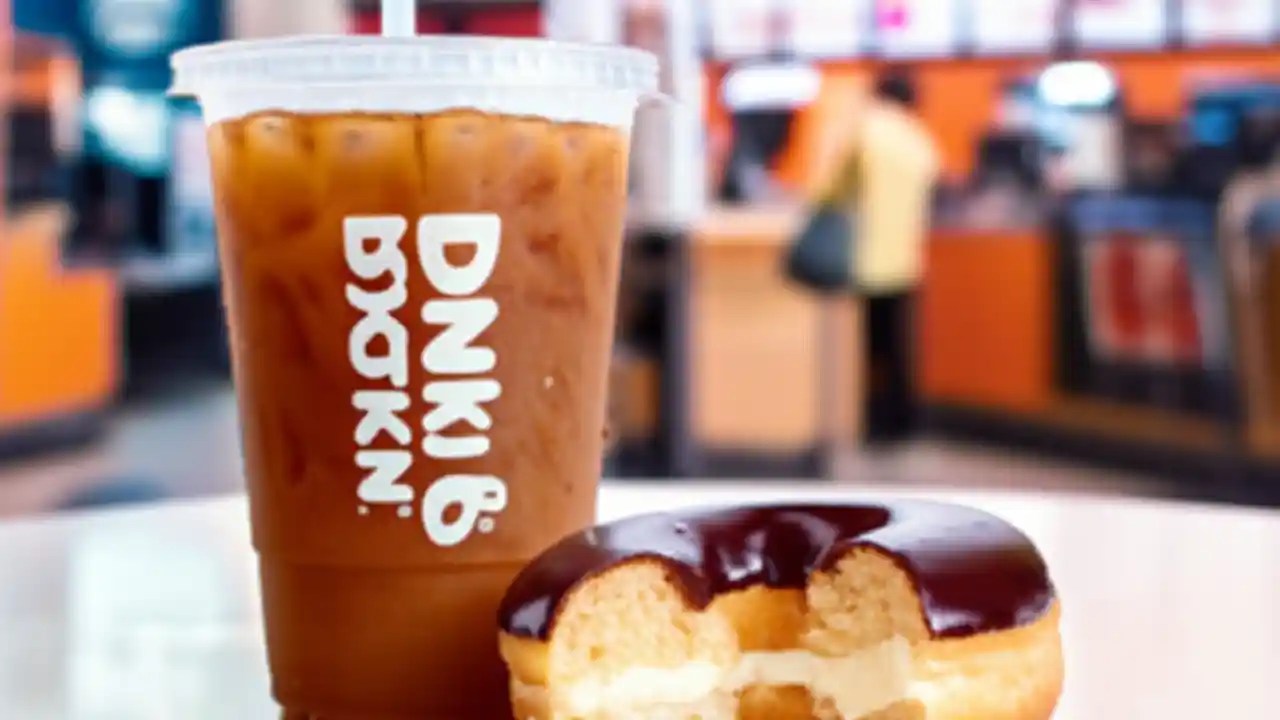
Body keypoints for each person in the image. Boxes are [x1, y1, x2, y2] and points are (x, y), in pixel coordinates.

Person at [821, 69, 940, 445]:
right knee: (900, 347)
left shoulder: (865, 132)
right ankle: (904, 423)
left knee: (868, 350)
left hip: (865, 257)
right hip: (905, 258)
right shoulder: (918, 139)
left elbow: (834, 190)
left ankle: (871, 424)